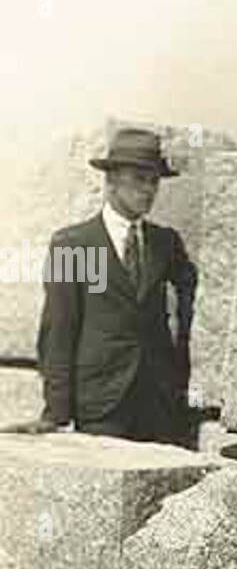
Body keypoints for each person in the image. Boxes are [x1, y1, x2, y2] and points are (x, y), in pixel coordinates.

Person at [33, 128, 197, 445]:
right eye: (138, 178)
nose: (148, 190)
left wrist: (178, 383)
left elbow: (193, 310)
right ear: (110, 181)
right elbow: (59, 329)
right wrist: (56, 412)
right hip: (101, 405)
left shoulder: (166, 243)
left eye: (154, 181)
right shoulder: (75, 245)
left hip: (158, 404)